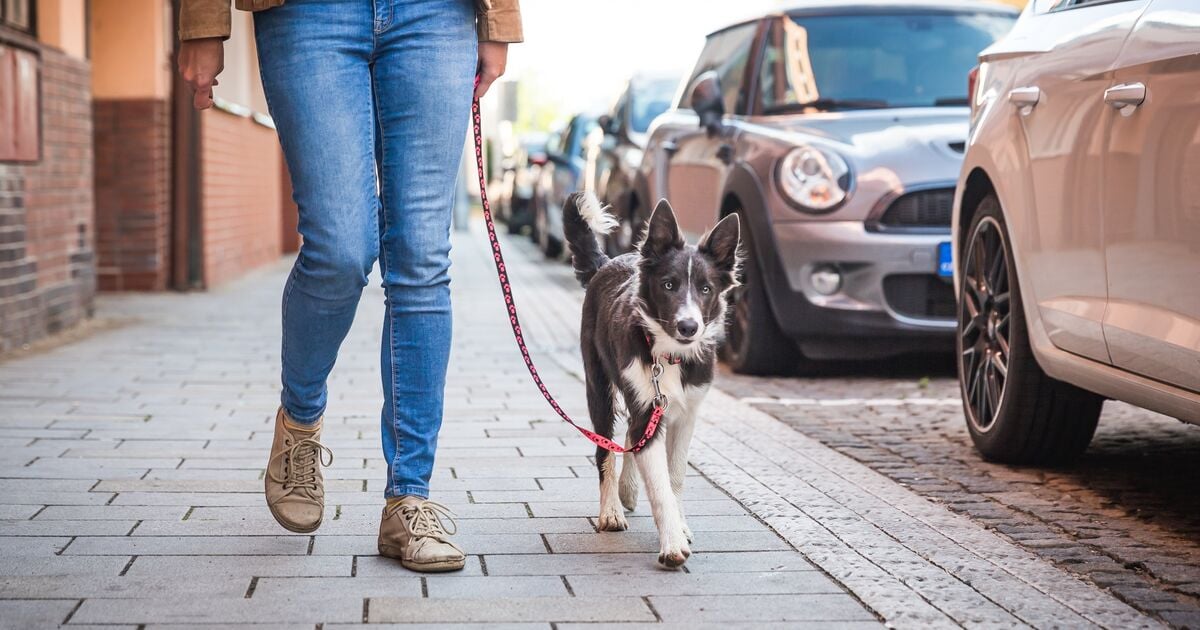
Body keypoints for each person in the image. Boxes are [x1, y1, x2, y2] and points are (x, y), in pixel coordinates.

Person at [176, 0, 522, 573]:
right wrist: (204, 21)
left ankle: (409, 496)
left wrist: (500, 20)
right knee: (340, 247)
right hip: (306, 15)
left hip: (435, 16)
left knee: (422, 255)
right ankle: (301, 415)